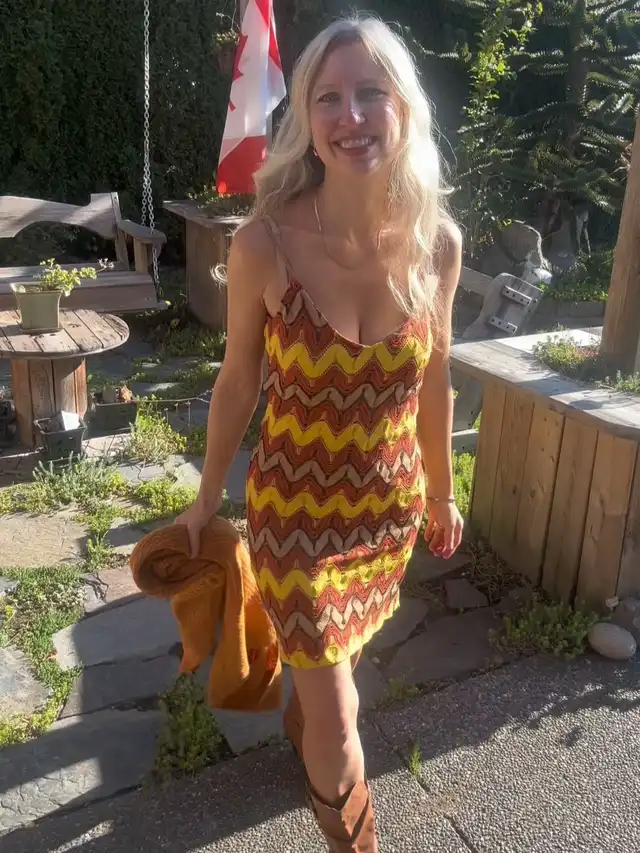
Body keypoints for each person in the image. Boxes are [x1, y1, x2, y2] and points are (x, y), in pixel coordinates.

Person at [176, 15, 464, 852]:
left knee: (336, 678)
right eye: (328, 98)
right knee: (343, 714)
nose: (351, 116)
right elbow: (238, 382)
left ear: (403, 108)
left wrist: (442, 493)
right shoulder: (265, 244)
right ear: (305, 115)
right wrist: (205, 496)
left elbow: (435, 379)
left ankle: (306, 722)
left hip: (384, 513)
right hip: (293, 518)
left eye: (371, 93)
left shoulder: (437, 245)